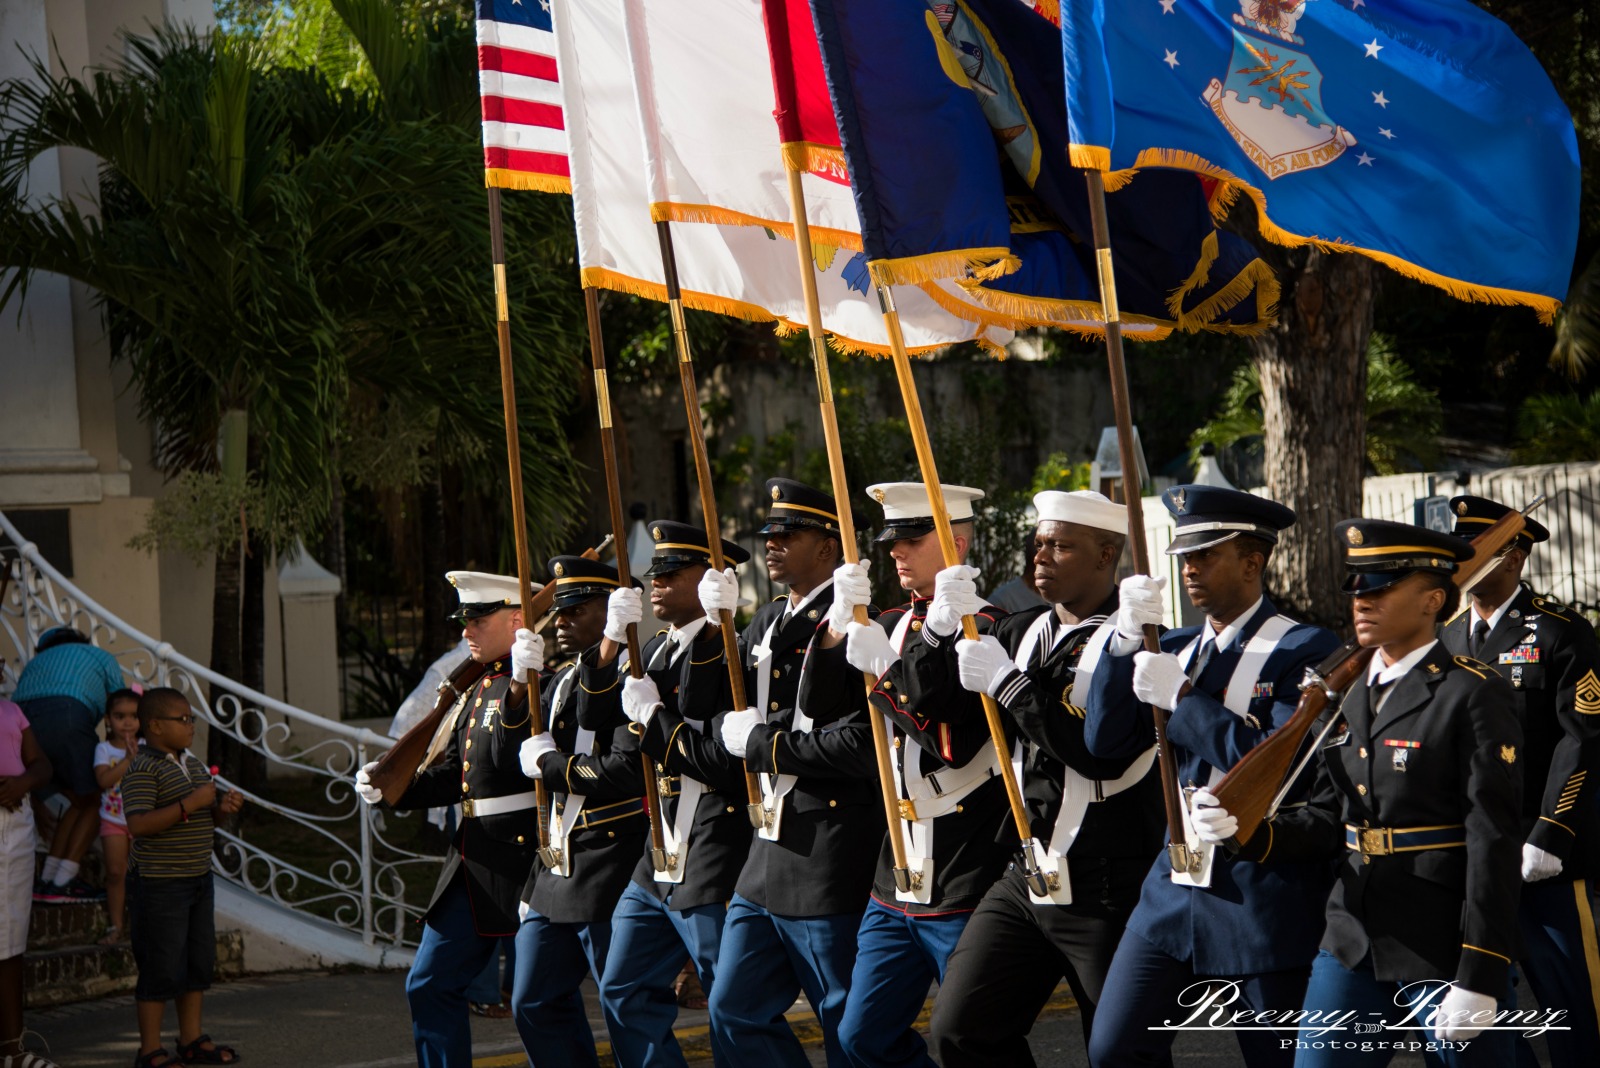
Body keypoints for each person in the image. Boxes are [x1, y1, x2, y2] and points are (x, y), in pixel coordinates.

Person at [1191, 519, 1525, 1067]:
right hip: (1352, 936)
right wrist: (1249, 834)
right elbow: (1328, 817)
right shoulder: (1344, 692)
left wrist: (1482, 971)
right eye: (1356, 589)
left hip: (1443, 944)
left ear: (1432, 600)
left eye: (1382, 587)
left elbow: (1493, 839)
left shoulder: (1472, 692)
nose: (1361, 601)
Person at [1083, 485, 1340, 1068]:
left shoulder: (1304, 649)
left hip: (1260, 894)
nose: (1190, 569)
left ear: (1252, 562)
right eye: (1185, 558)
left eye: (1206, 555)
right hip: (1174, 891)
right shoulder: (1172, 646)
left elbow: (1282, 766)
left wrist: (1182, 699)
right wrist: (1122, 642)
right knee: (1115, 1048)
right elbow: (1105, 743)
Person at [922, 490, 1165, 1064]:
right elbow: (935, 712)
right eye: (1038, 544)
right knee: (961, 1028)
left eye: (1061, 546)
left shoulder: (1137, 643)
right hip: (1028, 875)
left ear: (1107, 555)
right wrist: (933, 636)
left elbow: (1098, 752)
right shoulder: (1019, 630)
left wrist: (1011, 687)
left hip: (1108, 885)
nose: (1042, 556)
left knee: (1121, 1054)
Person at [695, 478, 883, 1068]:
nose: (771, 545)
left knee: (844, 1024)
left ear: (828, 548)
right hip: (765, 855)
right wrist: (711, 626)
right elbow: (705, 705)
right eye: (769, 535)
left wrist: (763, 743)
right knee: (732, 1010)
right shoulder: (768, 621)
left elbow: (858, 745)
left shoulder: (855, 620)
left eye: (788, 535)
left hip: (826, 850)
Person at [830, 481, 1013, 1068]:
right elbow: (815, 705)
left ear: (955, 543)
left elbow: (949, 744)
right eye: (892, 542)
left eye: (910, 539)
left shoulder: (990, 628)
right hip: (896, 871)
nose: (895, 553)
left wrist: (905, 658)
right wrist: (836, 627)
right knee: (861, 1037)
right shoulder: (886, 621)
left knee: (975, 1043)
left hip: (964, 863)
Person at [354, 571, 543, 1068]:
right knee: (429, 984)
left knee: (541, 1003)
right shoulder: (476, 685)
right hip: (474, 856)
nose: (467, 631)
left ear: (518, 620)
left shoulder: (541, 679)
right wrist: (391, 785)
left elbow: (512, 754)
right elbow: (458, 774)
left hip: (532, 861)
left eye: (479, 619)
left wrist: (525, 683)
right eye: (466, 621)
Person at [1439, 495, 1600, 1066]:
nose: (1463, 562)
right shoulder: (1449, 637)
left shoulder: (1560, 633)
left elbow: (1581, 739)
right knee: (1483, 1006)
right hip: (1474, 853)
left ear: (1513, 556)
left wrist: (1552, 832)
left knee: (1573, 1008)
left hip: (1541, 857)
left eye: (1475, 549)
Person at [590, 520, 752, 1067]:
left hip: (709, 846)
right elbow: (593, 717)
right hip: (658, 850)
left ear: (709, 579)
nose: (653, 584)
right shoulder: (653, 650)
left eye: (669, 574)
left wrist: (718, 624)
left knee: (728, 1002)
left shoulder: (725, 648)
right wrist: (612, 641)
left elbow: (720, 761)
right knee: (622, 989)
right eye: (652, 575)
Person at [515, 556, 648, 1068]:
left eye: (576, 610)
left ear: (611, 610)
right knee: (533, 999)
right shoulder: (562, 679)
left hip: (609, 859)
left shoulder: (632, 674)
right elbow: (511, 750)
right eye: (561, 611)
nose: (562, 620)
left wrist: (551, 765)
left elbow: (621, 771)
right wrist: (514, 681)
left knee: (623, 1007)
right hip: (554, 864)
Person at [123, 687, 245, 1068]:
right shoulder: (143, 768)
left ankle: (191, 1039)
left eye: (192, 719)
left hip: (197, 879)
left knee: (196, 963)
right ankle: (150, 1051)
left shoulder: (190, 762)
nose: (191, 726)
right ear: (155, 726)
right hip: (160, 883)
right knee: (160, 966)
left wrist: (221, 809)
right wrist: (189, 803)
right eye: (184, 719)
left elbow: (202, 818)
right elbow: (138, 824)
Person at [13, 626, 121, 904]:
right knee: (99, 799)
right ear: (81, 640)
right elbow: (121, 701)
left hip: (22, 725)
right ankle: (64, 882)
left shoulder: (35, 663)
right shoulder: (97, 655)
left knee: (80, 800)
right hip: (68, 715)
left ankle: (48, 880)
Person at [0, 695, 57, 1068]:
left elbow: (42, 765)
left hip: (14, 827)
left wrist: (22, 783)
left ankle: (11, 1050)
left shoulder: (11, 710)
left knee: (10, 937)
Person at [94, 688, 143, 944]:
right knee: (115, 872)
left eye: (133, 716)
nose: (127, 722)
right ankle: (116, 926)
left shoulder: (147, 747)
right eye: (119, 715)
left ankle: (143, 925)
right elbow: (103, 780)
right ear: (107, 719)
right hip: (113, 820)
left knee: (141, 873)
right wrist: (126, 760)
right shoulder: (103, 750)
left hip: (142, 820)